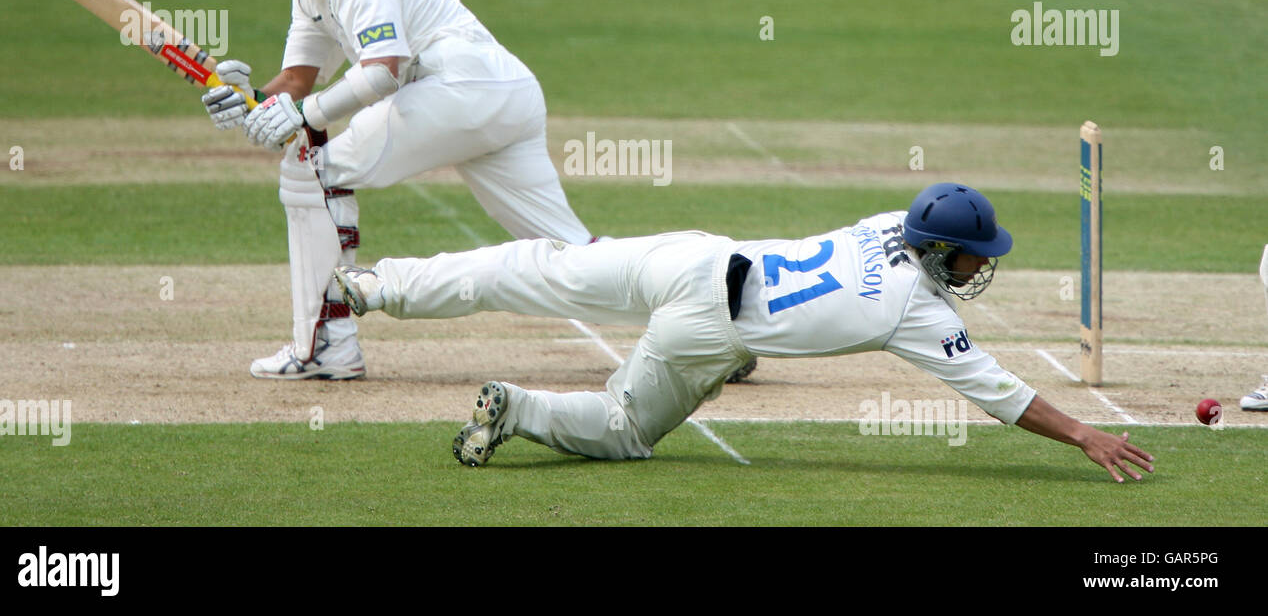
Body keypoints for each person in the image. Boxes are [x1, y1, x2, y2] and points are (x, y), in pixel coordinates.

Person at [332, 181, 1155, 482]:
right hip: (707, 323)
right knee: (623, 430)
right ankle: (513, 407)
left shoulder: (884, 222)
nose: (980, 269)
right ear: (942, 250)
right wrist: (1084, 434)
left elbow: (822, 286)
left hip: (693, 253)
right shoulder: (920, 310)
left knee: (534, 267)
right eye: (975, 257)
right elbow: (998, 392)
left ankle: (377, 284)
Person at [201, 0, 594, 380]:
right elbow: (299, 78)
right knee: (569, 258)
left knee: (310, 167)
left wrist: (301, 116)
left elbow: (383, 71)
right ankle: (721, 323)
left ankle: (326, 346)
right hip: (502, 95)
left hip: (459, 88)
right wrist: (249, 99)